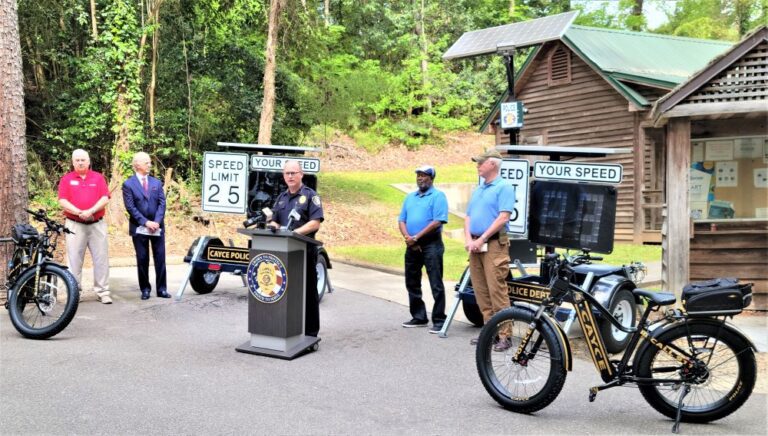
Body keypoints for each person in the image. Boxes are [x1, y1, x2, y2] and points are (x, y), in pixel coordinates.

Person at [464, 149, 516, 351]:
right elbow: (468, 217)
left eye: (481, 162)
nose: (477, 165)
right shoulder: (479, 189)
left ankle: (505, 335)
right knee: (481, 291)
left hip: (494, 245)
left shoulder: (504, 187)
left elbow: (504, 217)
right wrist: (469, 239)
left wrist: (483, 238)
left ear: (493, 164)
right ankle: (489, 332)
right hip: (475, 244)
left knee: (497, 291)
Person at [267, 160, 324, 337]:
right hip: (283, 254)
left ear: (301, 174)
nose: (290, 176)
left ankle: (310, 334)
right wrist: (274, 224)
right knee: (284, 292)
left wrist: (294, 233)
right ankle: (287, 329)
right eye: (287, 173)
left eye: (293, 173)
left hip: (304, 252)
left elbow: (315, 223)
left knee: (308, 293)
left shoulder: (310, 196)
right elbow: (274, 219)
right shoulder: (281, 197)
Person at [398, 165, 449, 333]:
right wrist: (408, 238)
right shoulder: (410, 197)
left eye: (424, 175)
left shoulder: (438, 196)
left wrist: (417, 237)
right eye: (418, 175)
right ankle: (419, 317)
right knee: (411, 281)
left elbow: (437, 222)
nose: (420, 178)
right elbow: (402, 220)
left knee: (435, 282)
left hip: (431, 244)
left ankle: (439, 320)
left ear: (431, 178)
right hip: (411, 245)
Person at [58, 149, 112, 304]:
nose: (80, 162)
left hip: (97, 224)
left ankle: (103, 291)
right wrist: (79, 212)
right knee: (74, 259)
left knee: (101, 258)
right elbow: (62, 200)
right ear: (73, 162)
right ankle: (75, 292)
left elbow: (104, 197)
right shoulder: (67, 179)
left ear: (89, 161)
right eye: (77, 160)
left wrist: (91, 211)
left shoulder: (98, 178)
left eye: (83, 160)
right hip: (75, 225)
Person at [122, 152, 169, 300]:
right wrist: (145, 222)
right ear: (137, 165)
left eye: (149, 162)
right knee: (142, 259)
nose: (149, 165)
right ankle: (145, 289)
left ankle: (162, 289)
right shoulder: (128, 184)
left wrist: (156, 221)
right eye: (146, 162)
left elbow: (162, 203)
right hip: (140, 227)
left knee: (160, 258)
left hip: (157, 226)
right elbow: (130, 207)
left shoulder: (156, 183)